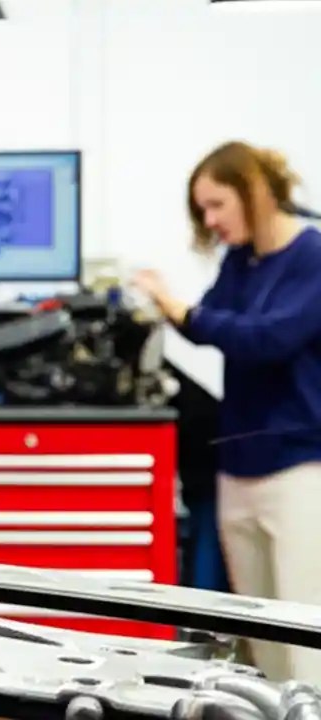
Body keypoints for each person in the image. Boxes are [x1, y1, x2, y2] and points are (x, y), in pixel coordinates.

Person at [132, 140, 321, 683]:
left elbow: (268, 338)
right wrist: (164, 305)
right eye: (203, 211)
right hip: (240, 468)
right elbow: (211, 320)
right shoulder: (242, 262)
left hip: (299, 470)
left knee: (306, 633)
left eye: (217, 205)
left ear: (253, 192)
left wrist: (179, 307)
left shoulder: (311, 256)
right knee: (262, 640)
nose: (210, 221)